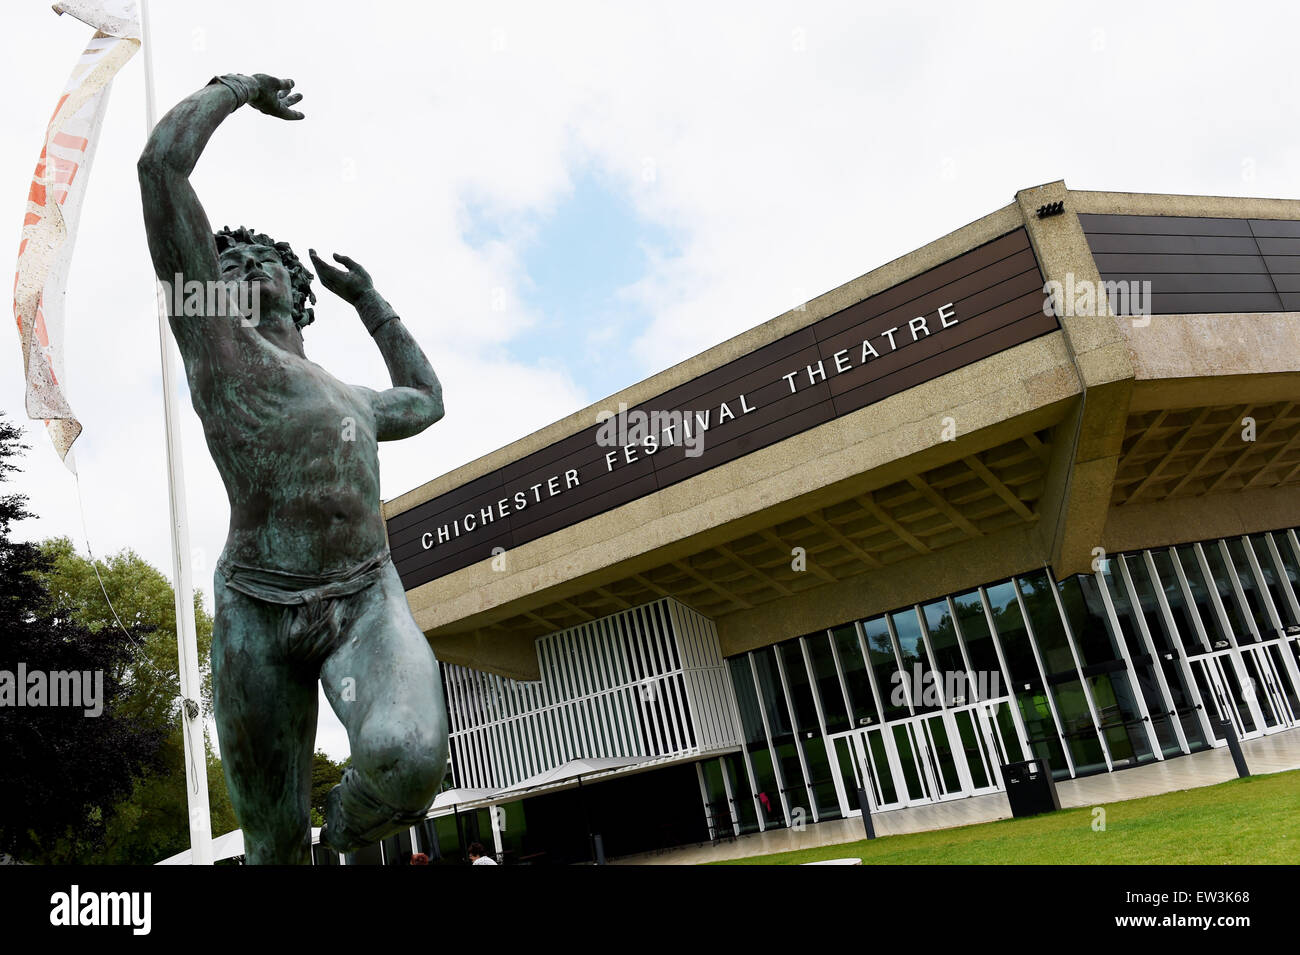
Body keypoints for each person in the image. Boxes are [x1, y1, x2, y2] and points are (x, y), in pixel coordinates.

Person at [137, 72, 449, 865]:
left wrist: (374, 304)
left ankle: (343, 836)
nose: (233, 267)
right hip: (255, 607)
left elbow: (425, 397)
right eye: (222, 261)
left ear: (294, 291)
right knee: (273, 849)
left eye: (250, 259)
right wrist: (237, 88)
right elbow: (160, 170)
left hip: (364, 594)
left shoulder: (351, 396)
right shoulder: (219, 347)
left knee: (408, 756)